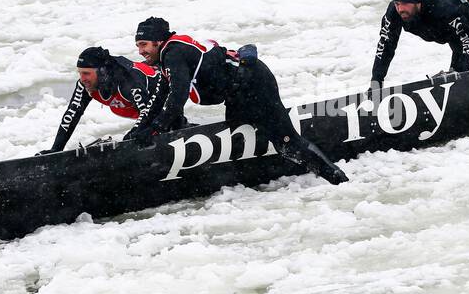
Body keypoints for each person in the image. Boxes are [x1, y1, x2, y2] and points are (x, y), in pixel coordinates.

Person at [131, 16, 348, 185]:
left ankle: (338, 179)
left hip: (255, 84)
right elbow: (159, 98)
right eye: (138, 46)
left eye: (144, 44)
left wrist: (155, 129)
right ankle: (255, 179)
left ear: (159, 41)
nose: (141, 51)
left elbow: (177, 98)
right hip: (237, 94)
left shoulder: (173, 53)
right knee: (236, 140)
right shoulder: (166, 57)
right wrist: (137, 131)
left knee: (287, 144)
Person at [40, 45, 178, 154]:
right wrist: (56, 150)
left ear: (102, 71)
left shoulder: (127, 80)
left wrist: (131, 139)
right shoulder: (84, 84)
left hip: (162, 90)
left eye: (86, 73)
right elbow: (71, 116)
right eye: (80, 73)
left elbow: (148, 112)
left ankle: (183, 128)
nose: (82, 79)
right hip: (129, 106)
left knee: (154, 127)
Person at [370, 0, 469, 87]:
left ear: (417, 2)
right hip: (444, 29)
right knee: (457, 75)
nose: (400, 9)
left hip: (466, 11)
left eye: (404, 3)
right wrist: (376, 81)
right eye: (397, 3)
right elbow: (385, 46)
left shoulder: (444, 8)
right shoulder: (394, 12)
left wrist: (464, 72)